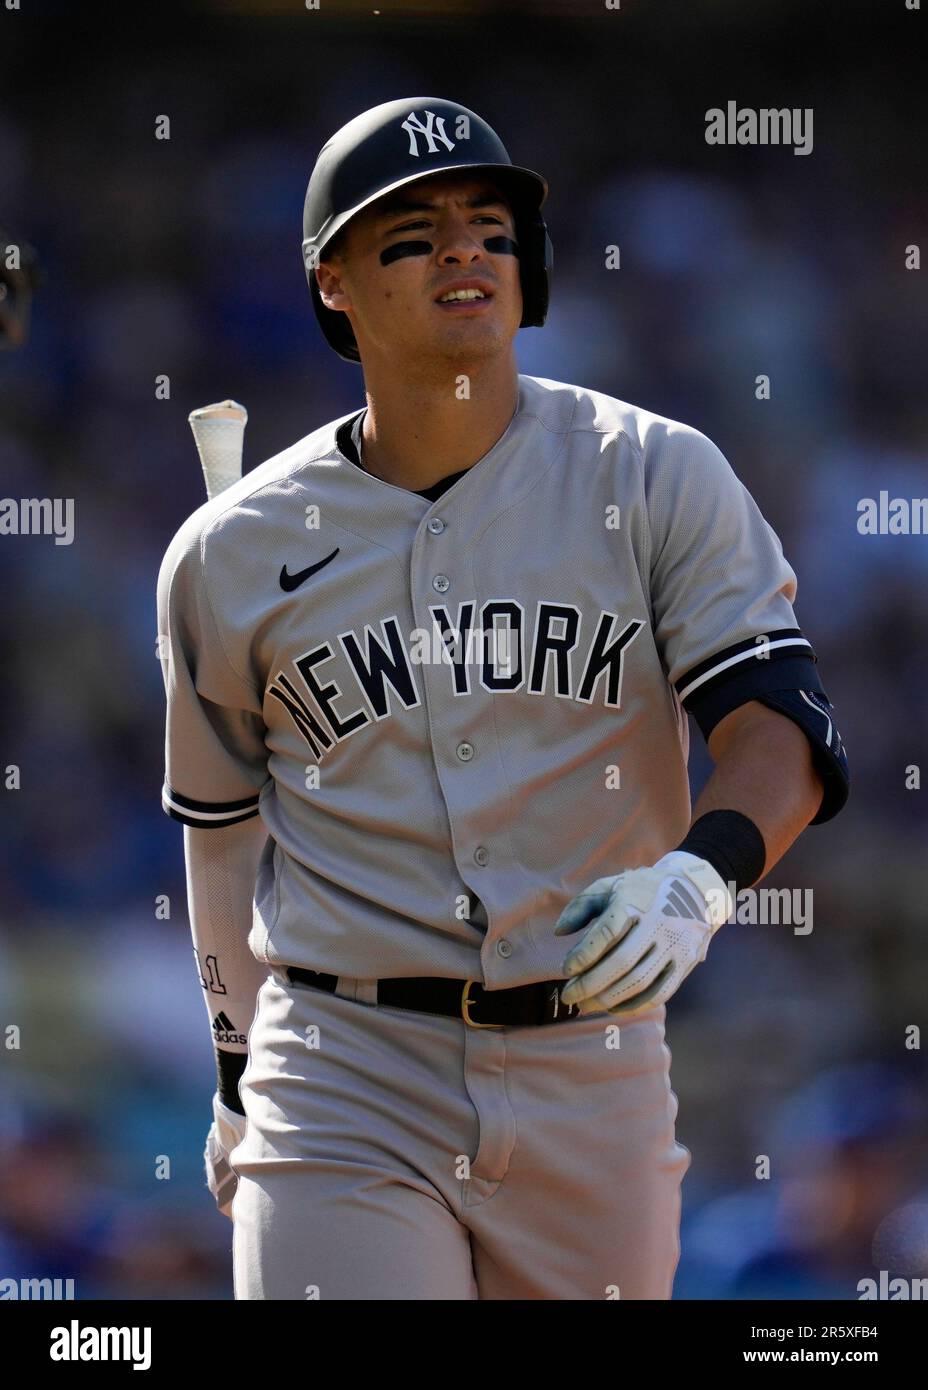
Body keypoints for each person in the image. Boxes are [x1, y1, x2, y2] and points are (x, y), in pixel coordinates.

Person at [156, 97, 849, 1300]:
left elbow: (778, 725)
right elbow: (220, 848)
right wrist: (234, 1074)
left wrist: (698, 879)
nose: (466, 250)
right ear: (333, 284)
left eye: (489, 224)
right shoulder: (231, 548)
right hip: (342, 1062)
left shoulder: (655, 471)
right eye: (414, 235)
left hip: (593, 1061)